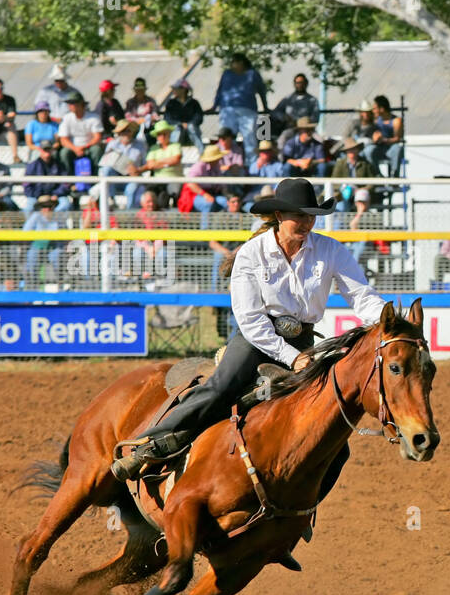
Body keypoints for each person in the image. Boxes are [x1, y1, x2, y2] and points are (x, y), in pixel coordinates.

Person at [109, 175, 387, 544]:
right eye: (297, 216)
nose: (305, 223)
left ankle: (297, 515)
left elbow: (361, 295)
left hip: (303, 340)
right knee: (221, 387)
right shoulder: (252, 255)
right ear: (278, 216)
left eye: (311, 216)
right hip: (258, 340)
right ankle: (149, 446)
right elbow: (252, 322)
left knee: (333, 437)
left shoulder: (330, 251)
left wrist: (389, 321)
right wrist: (293, 357)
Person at [210, 53, 268, 170]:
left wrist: (265, 107)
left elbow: (261, 90)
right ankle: (225, 166)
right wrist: (214, 106)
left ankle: (251, 168)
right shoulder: (227, 74)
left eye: (235, 62)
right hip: (227, 109)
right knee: (226, 138)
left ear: (242, 62)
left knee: (250, 139)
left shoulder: (252, 74)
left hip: (247, 110)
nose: (232, 64)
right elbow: (220, 90)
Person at [100, 119, 148, 209]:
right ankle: (110, 200)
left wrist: (137, 170)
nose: (125, 133)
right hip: (115, 178)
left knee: (131, 189)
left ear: (132, 131)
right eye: (122, 131)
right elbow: (105, 162)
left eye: (128, 130)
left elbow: (146, 164)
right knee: (106, 169)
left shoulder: (140, 145)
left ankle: (129, 216)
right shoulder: (112, 144)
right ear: (118, 133)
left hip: (132, 178)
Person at [57, 91, 105, 172]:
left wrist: (84, 147)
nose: (70, 106)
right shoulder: (66, 118)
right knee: (64, 153)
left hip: (89, 147)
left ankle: (96, 176)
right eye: (69, 103)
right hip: (73, 148)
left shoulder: (94, 117)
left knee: (96, 150)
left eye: (73, 103)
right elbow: (63, 139)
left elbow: (97, 137)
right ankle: (69, 179)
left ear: (81, 104)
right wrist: (75, 149)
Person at [22, 196, 63, 285]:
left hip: (53, 247)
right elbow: (25, 231)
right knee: (32, 256)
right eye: (44, 207)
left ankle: (61, 282)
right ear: (40, 208)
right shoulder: (36, 216)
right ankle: (32, 283)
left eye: (49, 206)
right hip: (37, 246)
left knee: (58, 255)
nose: (47, 209)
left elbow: (65, 233)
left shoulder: (58, 217)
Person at [330, 139, 379, 211]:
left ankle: (356, 220)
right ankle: (347, 221)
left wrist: (363, 189)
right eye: (349, 150)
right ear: (346, 152)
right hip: (343, 192)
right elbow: (334, 180)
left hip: (359, 192)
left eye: (353, 149)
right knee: (342, 207)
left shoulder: (365, 163)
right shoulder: (340, 163)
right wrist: (344, 187)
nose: (351, 151)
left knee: (362, 197)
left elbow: (372, 181)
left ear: (358, 150)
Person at [23, 140, 71, 213]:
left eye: (49, 149)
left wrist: (56, 194)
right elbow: (27, 185)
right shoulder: (32, 166)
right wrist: (38, 196)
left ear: (52, 150)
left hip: (55, 196)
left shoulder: (59, 165)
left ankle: (55, 224)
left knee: (65, 204)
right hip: (36, 196)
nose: (47, 152)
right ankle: (31, 224)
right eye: (44, 149)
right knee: (28, 209)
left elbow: (65, 184)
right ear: (40, 150)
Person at [273, 74, 319, 139]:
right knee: (282, 139)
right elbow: (275, 112)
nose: (300, 85)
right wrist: (284, 117)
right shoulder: (288, 99)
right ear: (294, 84)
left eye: (302, 83)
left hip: (308, 130)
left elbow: (315, 118)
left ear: (306, 84)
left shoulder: (312, 100)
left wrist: (304, 123)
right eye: (297, 83)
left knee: (320, 140)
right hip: (291, 129)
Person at [367, 95, 404, 176]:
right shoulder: (376, 120)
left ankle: (394, 175)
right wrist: (374, 137)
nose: (373, 111)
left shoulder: (396, 121)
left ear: (382, 109)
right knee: (368, 150)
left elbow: (397, 138)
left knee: (397, 148)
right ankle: (377, 174)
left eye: (375, 108)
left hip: (391, 148)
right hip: (379, 148)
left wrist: (384, 140)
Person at [163, 79, 204, 149]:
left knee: (192, 128)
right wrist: (180, 124)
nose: (174, 90)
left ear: (183, 90)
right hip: (176, 129)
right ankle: (173, 152)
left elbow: (199, 117)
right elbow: (167, 119)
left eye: (176, 88)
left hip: (191, 129)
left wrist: (189, 124)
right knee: (176, 129)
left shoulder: (194, 103)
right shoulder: (171, 103)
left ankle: (202, 152)